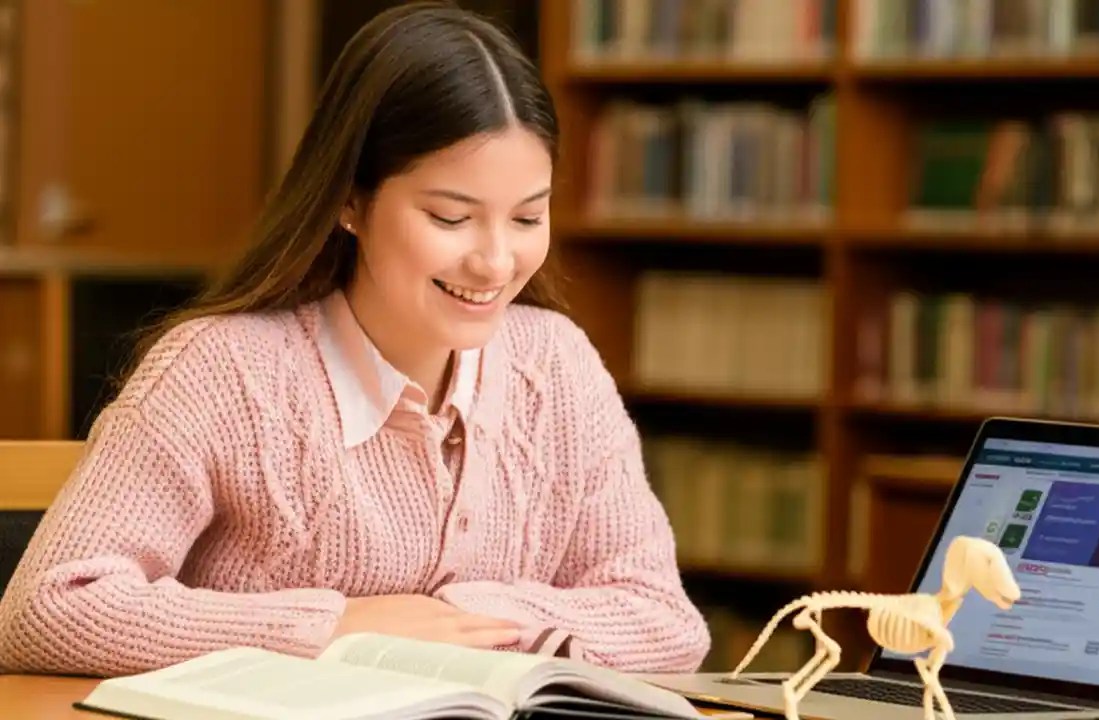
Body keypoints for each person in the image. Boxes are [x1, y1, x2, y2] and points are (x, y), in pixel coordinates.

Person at [0, 1, 710, 678]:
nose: (496, 262)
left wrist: (459, 618)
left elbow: (664, 621)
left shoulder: (555, 363)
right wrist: (331, 628)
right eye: (451, 217)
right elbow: (44, 609)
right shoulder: (220, 371)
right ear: (350, 200)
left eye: (527, 218)